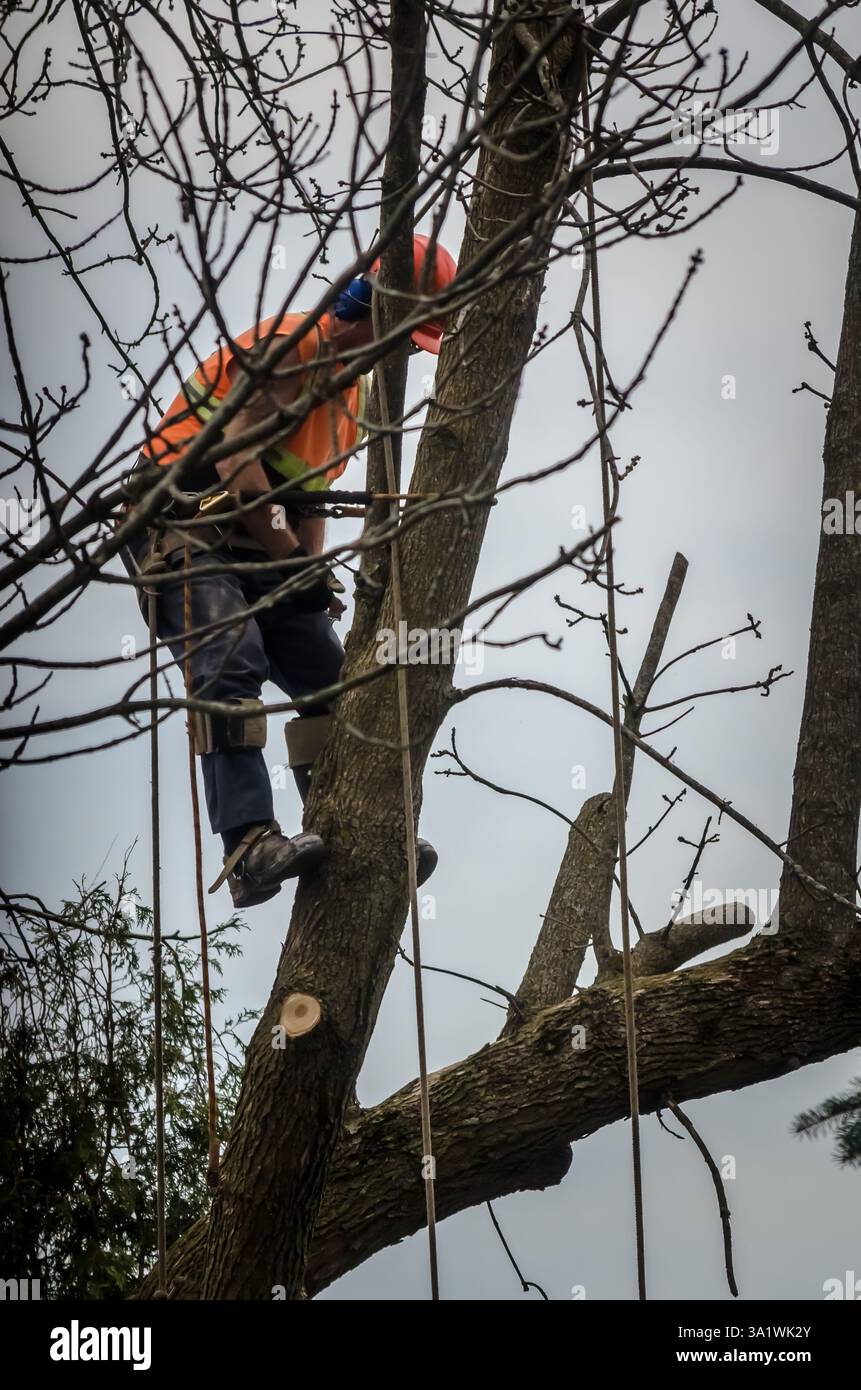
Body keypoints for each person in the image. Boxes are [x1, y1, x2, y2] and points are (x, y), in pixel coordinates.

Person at [121, 234, 457, 908]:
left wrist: (309, 575)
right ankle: (248, 846)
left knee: (332, 680)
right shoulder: (287, 349)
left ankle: (352, 829)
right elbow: (237, 471)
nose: (396, 355)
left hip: (256, 535)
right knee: (229, 656)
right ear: (369, 306)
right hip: (183, 521)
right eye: (397, 337)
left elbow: (304, 503)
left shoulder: (349, 406)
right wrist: (289, 557)